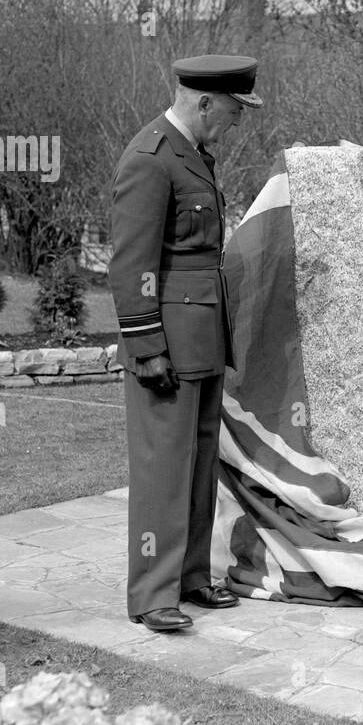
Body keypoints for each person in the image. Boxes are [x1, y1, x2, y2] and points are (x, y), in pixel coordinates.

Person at [108, 54, 262, 631]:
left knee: (198, 465)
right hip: (167, 344)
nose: (236, 121)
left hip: (199, 339)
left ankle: (192, 577)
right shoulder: (150, 158)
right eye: (232, 110)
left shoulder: (192, 155)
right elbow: (131, 263)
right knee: (162, 471)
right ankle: (153, 595)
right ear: (202, 102)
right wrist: (146, 348)